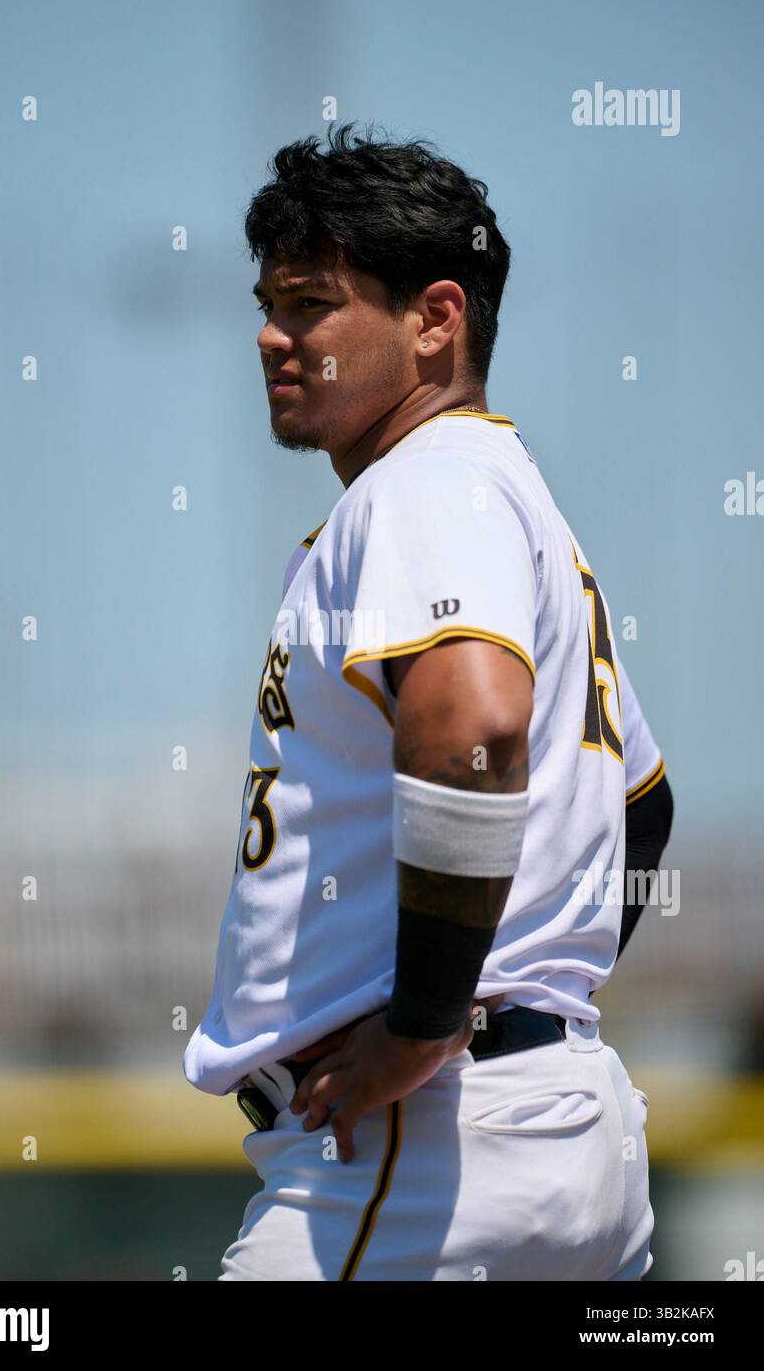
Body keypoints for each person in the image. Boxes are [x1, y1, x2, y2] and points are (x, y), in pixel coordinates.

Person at [183, 123, 674, 1281]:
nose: (270, 334)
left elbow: (471, 731)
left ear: (434, 318)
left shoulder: (426, 483)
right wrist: (529, 995)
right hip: (543, 1115)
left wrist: (424, 1020)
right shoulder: (507, 498)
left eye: (309, 303)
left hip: (424, 1142)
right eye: (268, 302)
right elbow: (640, 808)